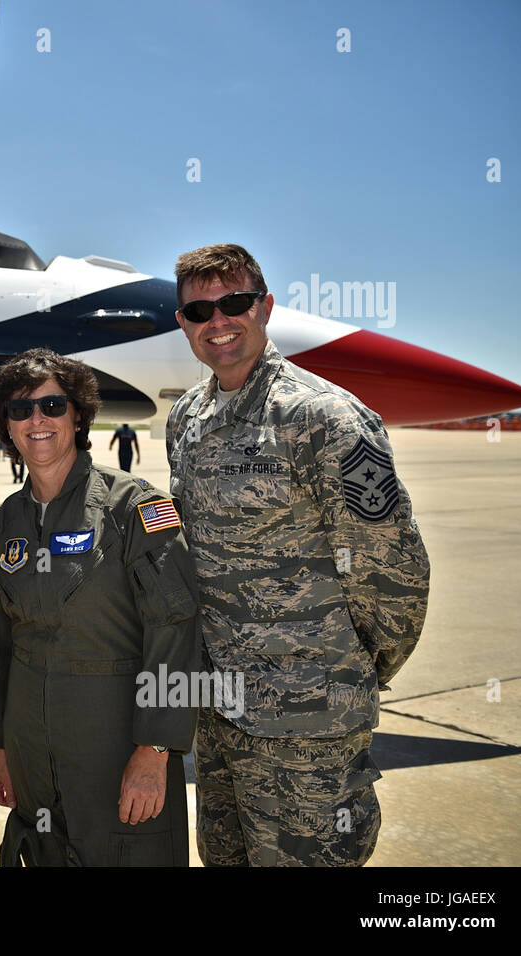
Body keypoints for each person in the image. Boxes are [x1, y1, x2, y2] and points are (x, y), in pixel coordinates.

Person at [165, 243, 430, 866]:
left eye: (234, 303)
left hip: (308, 719)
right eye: (200, 311)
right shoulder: (188, 418)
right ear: (183, 323)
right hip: (218, 707)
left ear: (265, 307)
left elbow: (393, 573)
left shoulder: (324, 417)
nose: (218, 321)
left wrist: (348, 672)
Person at [0, 348, 202, 866]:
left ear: (78, 416)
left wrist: (155, 750)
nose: (37, 420)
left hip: (117, 754)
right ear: (6, 426)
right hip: (31, 758)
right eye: (20, 410)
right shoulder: (1, 527)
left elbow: (175, 627)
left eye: (52, 406)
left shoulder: (134, 508)